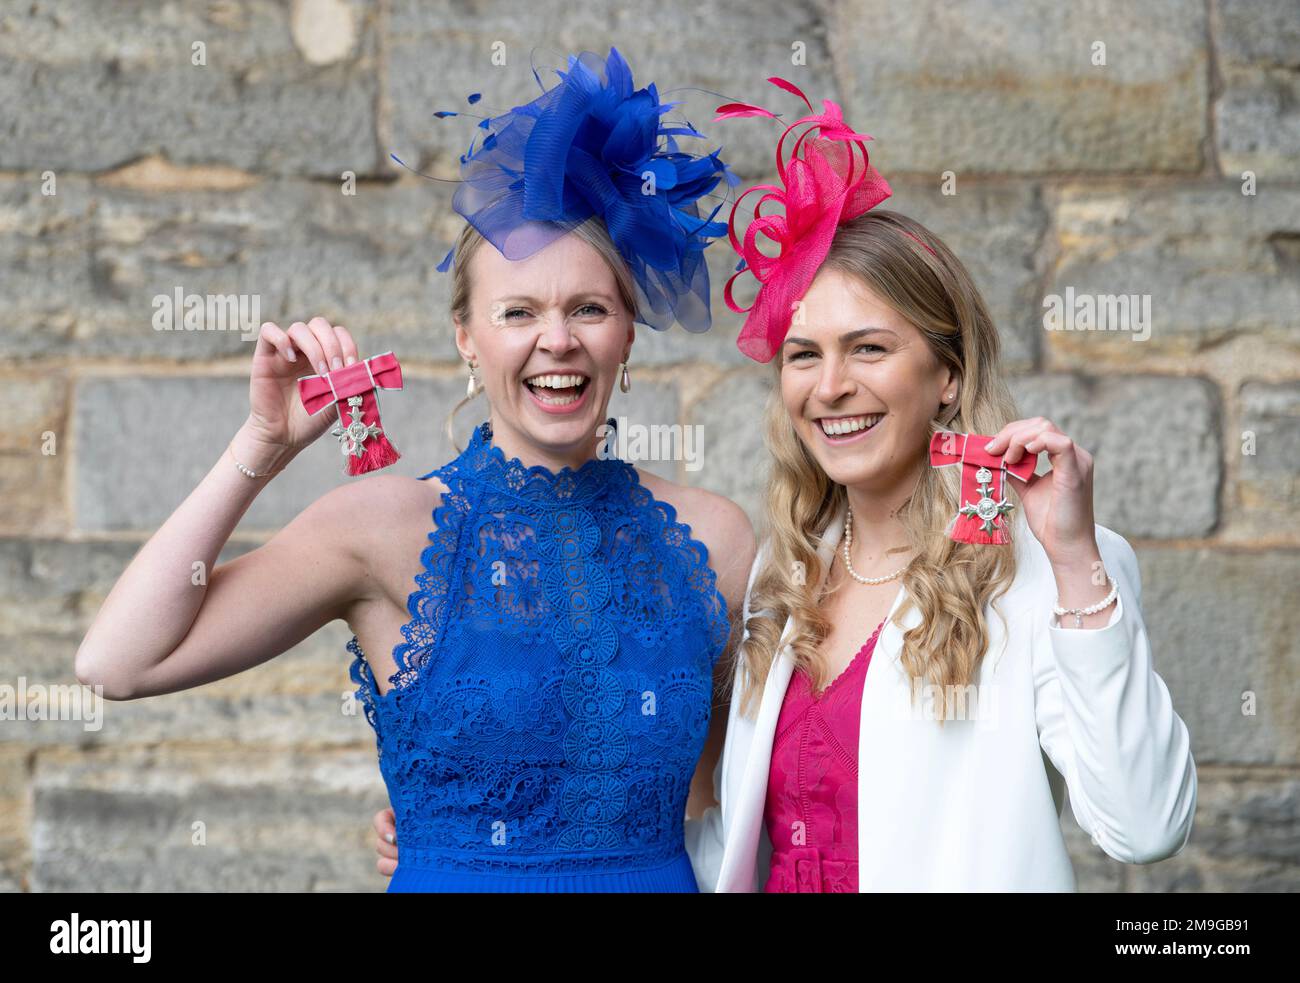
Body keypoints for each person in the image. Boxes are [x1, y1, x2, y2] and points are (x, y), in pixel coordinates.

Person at [76, 47, 756, 892]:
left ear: (625, 333)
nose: (558, 339)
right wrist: (260, 446)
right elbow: (117, 662)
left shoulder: (717, 540)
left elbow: (723, 802)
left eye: (589, 307)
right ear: (468, 338)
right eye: (518, 312)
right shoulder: (383, 525)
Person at [688, 79, 1198, 891]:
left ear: (948, 375)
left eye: (869, 348)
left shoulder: (1041, 572)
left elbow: (1146, 825)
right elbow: (737, 846)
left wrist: (1074, 559)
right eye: (805, 354)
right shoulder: (779, 577)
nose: (831, 387)